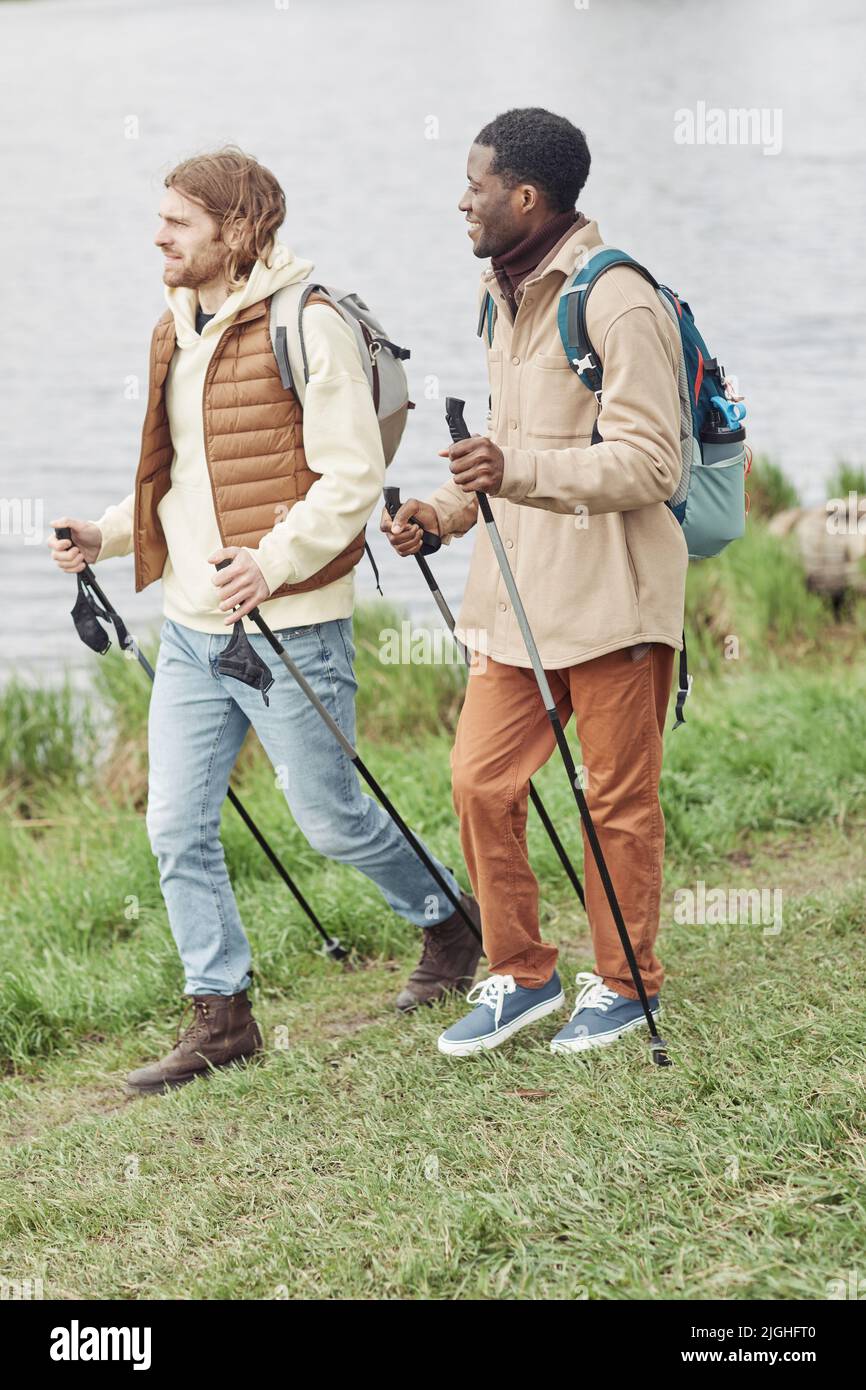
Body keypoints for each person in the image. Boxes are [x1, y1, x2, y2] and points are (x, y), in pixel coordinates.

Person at [49, 147, 481, 1094]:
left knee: (329, 820)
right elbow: (183, 489)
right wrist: (107, 534)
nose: (158, 236)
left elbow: (353, 476)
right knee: (174, 826)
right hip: (196, 632)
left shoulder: (309, 323)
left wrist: (270, 561)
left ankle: (452, 922)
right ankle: (222, 1014)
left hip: (293, 625)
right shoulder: (176, 329)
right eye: (160, 218)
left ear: (235, 231)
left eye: (178, 222)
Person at [382, 108, 687, 1057]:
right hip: (511, 603)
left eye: (474, 184)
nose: (461, 200)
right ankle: (520, 974)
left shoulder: (617, 298)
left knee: (615, 801)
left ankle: (627, 981)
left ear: (525, 195)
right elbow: (506, 453)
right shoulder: (499, 294)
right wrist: (441, 510)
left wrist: (511, 472)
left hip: (614, 596)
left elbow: (652, 465)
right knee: (479, 782)